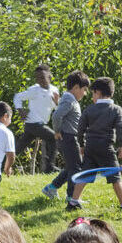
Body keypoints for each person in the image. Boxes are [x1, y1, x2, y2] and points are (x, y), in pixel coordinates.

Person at [78, 77, 122, 209]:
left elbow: (80, 128)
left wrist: (81, 145)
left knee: (85, 174)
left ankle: (73, 200)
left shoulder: (89, 109)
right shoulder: (116, 109)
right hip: (106, 147)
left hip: (90, 147)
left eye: (93, 94)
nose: (92, 97)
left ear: (98, 92)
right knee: (115, 176)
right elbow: (121, 128)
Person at [42, 72, 91, 205]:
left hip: (69, 138)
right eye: (84, 90)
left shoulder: (68, 99)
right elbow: (56, 116)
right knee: (76, 168)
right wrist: (57, 131)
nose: (85, 93)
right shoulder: (69, 100)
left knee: (71, 166)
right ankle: (71, 197)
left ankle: (51, 188)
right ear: (76, 87)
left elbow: (62, 114)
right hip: (69, 138)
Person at [12, 65, 60, 173]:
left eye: (42, 77)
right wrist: (20, 110)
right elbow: (17, 97)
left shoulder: (54, 90)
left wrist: (57, 102)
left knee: (19, 148)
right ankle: (50, 168)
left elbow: (56, 108)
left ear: (49, 76)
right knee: (53, 138)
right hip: (33, 124)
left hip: (38, 124)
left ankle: (1, 165)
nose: (39, 80)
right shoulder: (34, 90)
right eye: (37, 78)